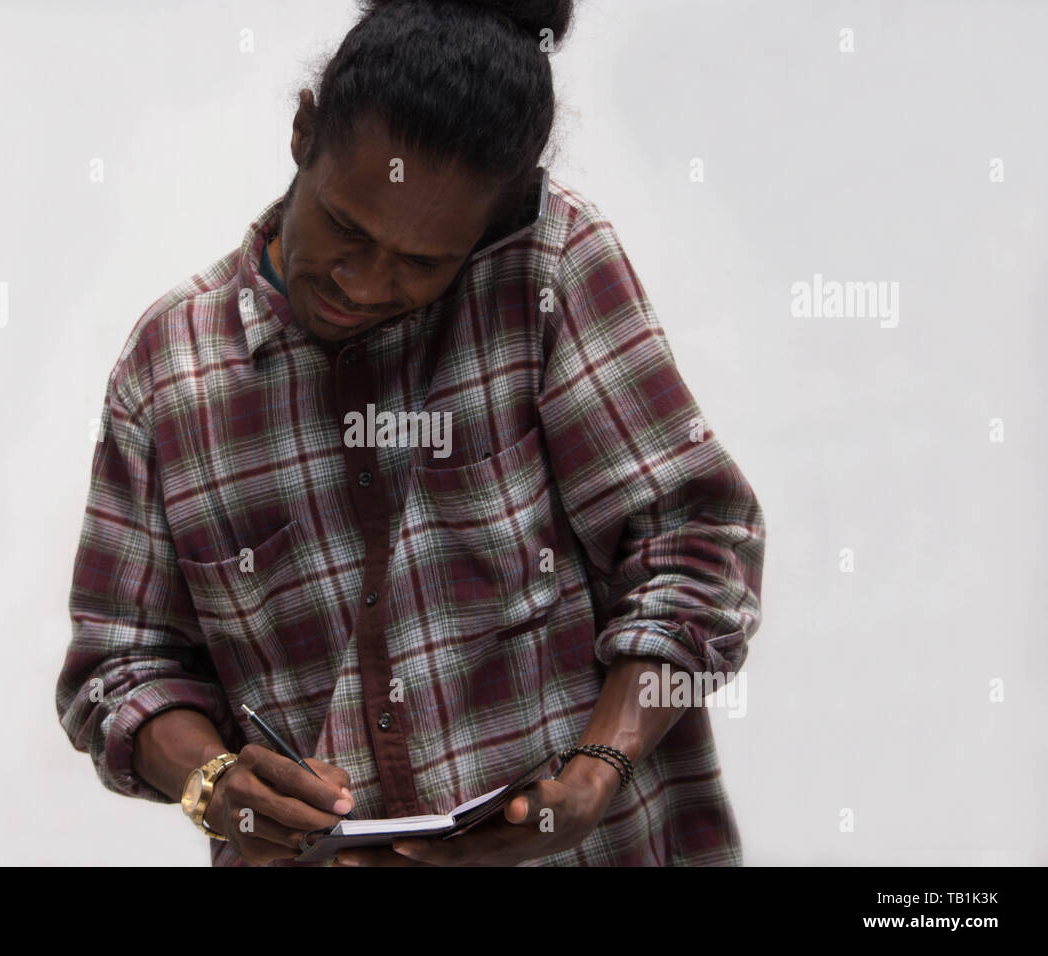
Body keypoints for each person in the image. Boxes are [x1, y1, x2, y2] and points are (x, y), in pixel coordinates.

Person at [55, 0, 766, 867]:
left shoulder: (548, 270)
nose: (364, 282)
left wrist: (595, 770)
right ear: (303, 130)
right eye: (346, 228)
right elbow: (119, 669)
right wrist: (214, 783)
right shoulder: (169, 370)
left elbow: (692, 541)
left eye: (425, 262)